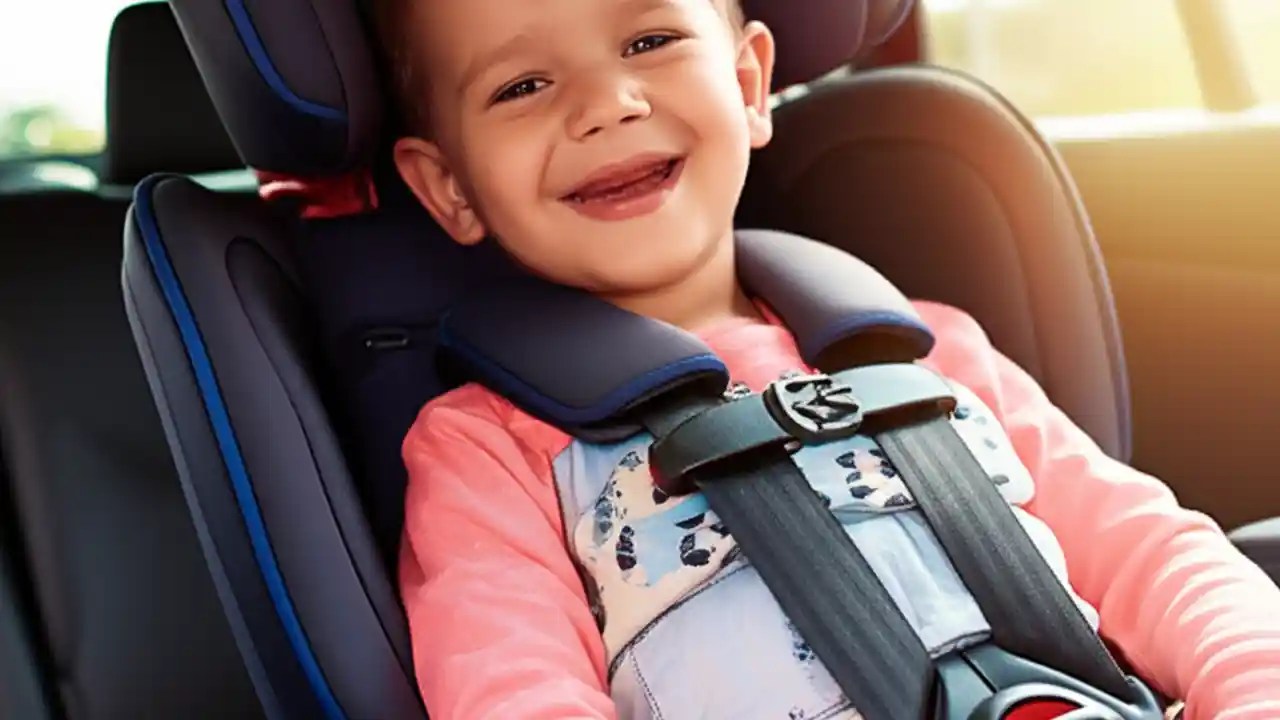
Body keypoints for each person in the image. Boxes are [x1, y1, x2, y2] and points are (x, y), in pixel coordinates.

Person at [371, 0, 1280, 717]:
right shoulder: (486, 448)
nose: (606, 104)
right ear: (449, 187)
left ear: (748, 83)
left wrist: (1251, 686)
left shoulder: (928, 352)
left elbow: (1151, 553)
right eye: (522, 86)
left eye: (649, 40)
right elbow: (518, 692)